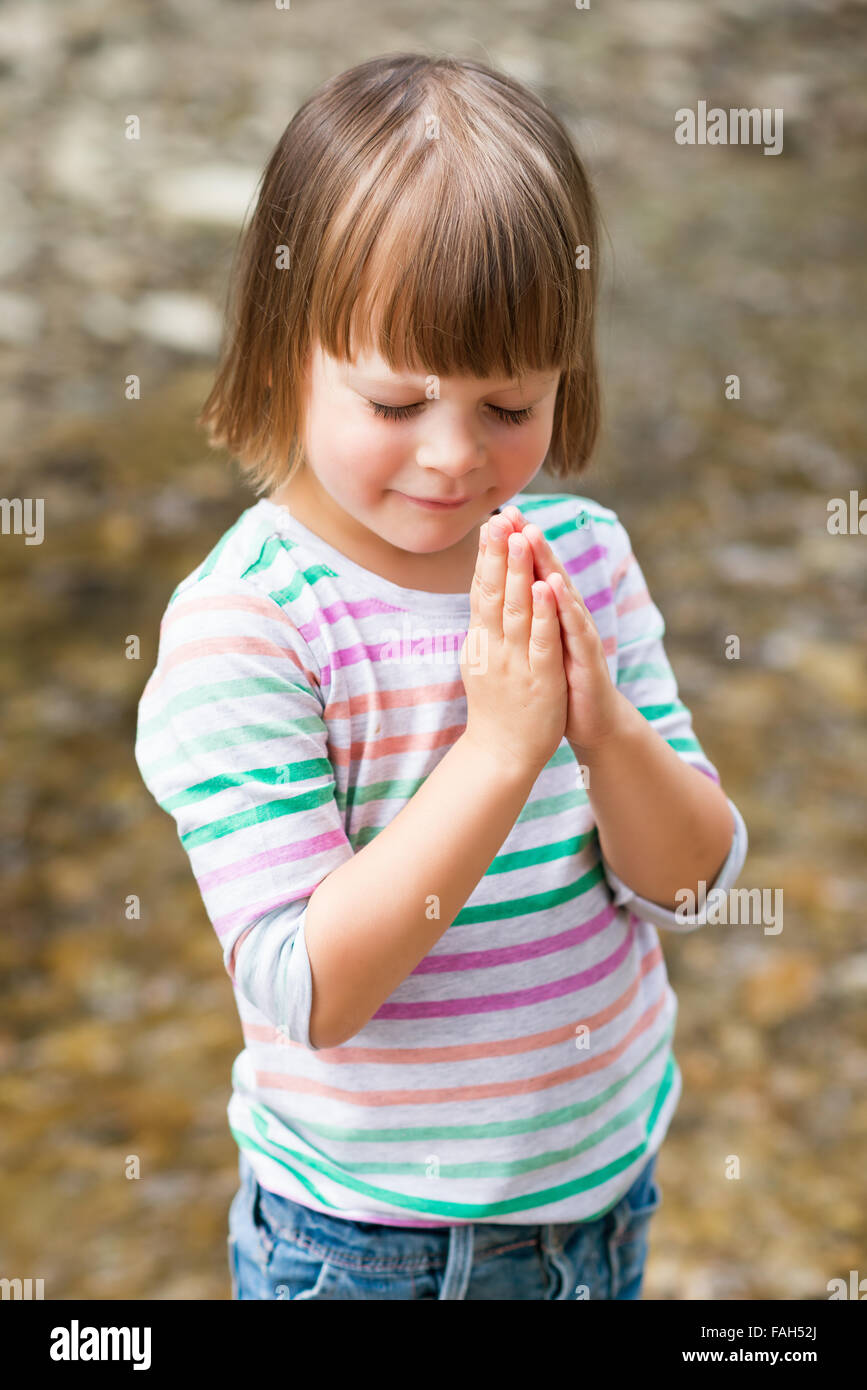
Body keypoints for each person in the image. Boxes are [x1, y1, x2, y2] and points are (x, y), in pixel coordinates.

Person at [134, 52, 748, 1300]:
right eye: (397, 399)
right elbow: (312, 989)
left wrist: (605, 733)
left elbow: (691, 885)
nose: (454, 456)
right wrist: (501, 750)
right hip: (369, 1243)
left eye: (509, 405)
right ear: (281, 349)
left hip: (602, 1196)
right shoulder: (250, 630)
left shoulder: (578, 557)